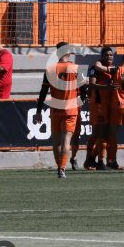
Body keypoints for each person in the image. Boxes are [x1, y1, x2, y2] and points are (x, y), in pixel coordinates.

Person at [34, 42, 83, 179]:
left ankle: (59, 166)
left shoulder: (50, 69)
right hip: (71, 109)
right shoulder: (76, 68)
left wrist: (38, 111)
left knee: (56, 141)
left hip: (55, 109)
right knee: (66, 139)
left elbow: (43, 92)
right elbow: (84, 90)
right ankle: (62, 167)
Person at [84, 47, 115, 170]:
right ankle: (100, 161)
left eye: (111, 55)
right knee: (102, 133)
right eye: (106, 55)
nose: (109, 57)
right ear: (102, 56)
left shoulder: (112, 69)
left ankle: (90, 160)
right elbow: (91, 84)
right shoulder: (95, 68)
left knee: (97, 133)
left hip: (107, 105)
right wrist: (106, 88)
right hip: (98, 104)